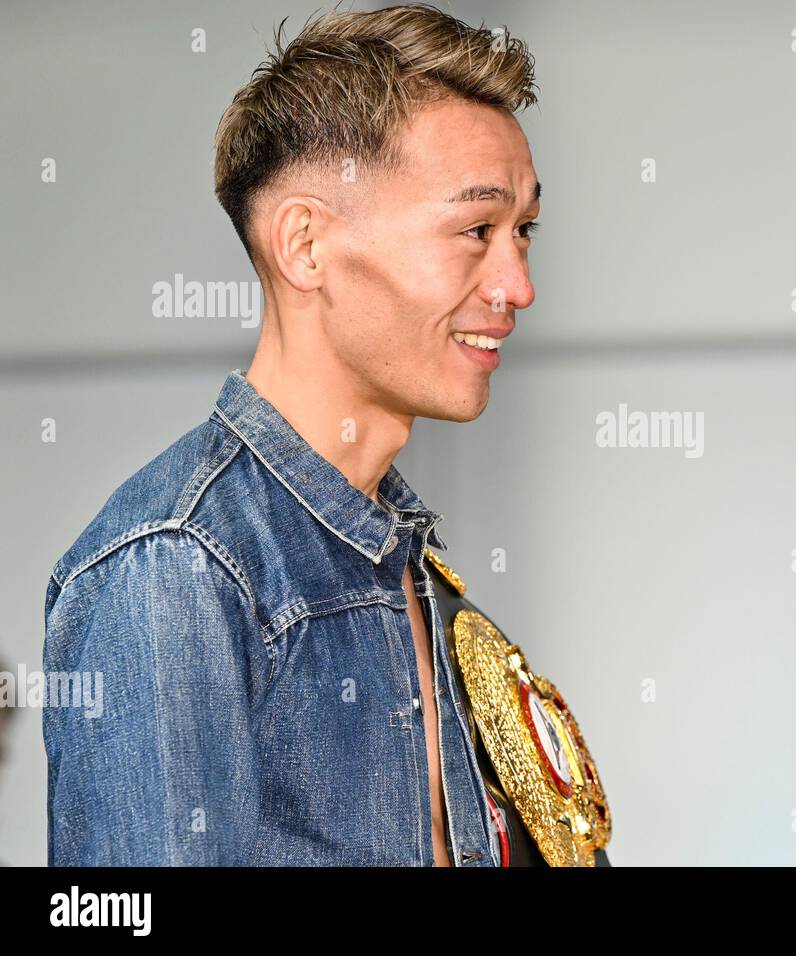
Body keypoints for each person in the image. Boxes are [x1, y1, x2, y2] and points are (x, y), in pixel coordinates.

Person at [43, 3, 610, 866]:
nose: (518, 285)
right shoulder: (176, 566)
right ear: (305, 246)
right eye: (475, 230)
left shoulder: (408, 565)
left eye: (523, 231)